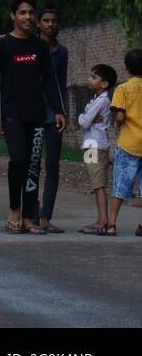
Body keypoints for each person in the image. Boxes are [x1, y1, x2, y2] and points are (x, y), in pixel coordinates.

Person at [0, 0, 66, 235]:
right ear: (13, 16)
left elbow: (50, 81)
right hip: (12, 115)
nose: (28, 17)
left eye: (31, 13)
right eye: (22, 13)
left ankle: (29, 217)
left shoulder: (39, 47)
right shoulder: (2, 46)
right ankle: (14, 210)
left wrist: (59, 110)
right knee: (18, 159)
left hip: (38, 115)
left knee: (33, 165)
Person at [34, 6, 70, 232]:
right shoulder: (30, 48)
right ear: (39, 23)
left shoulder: (61, 52)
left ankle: (45, 217)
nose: (50, 25)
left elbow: (61, 83)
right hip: (31, 114)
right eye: (46, 20)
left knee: (53, 166)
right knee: (31, 166)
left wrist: (63, 111)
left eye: (54, 21)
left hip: (54, 115)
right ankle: (29, 214)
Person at [105, 50, 142, 236]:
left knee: (120, 185)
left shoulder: (123, 89)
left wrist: (119, 124)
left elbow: (119, 115)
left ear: (126, 68)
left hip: (129, 144)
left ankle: (111, 225)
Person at [78, 64, 116, 234]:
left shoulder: (102, 100)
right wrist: (87, 117)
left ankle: (103, 221)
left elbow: (84, 122)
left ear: (104, 84)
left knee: (98, 183)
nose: (89, 80)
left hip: (94, 145)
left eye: (94, 77)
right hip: (91, 144)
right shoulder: (96, 100)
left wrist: (81, 116)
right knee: (96, 182)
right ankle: (101, 219)